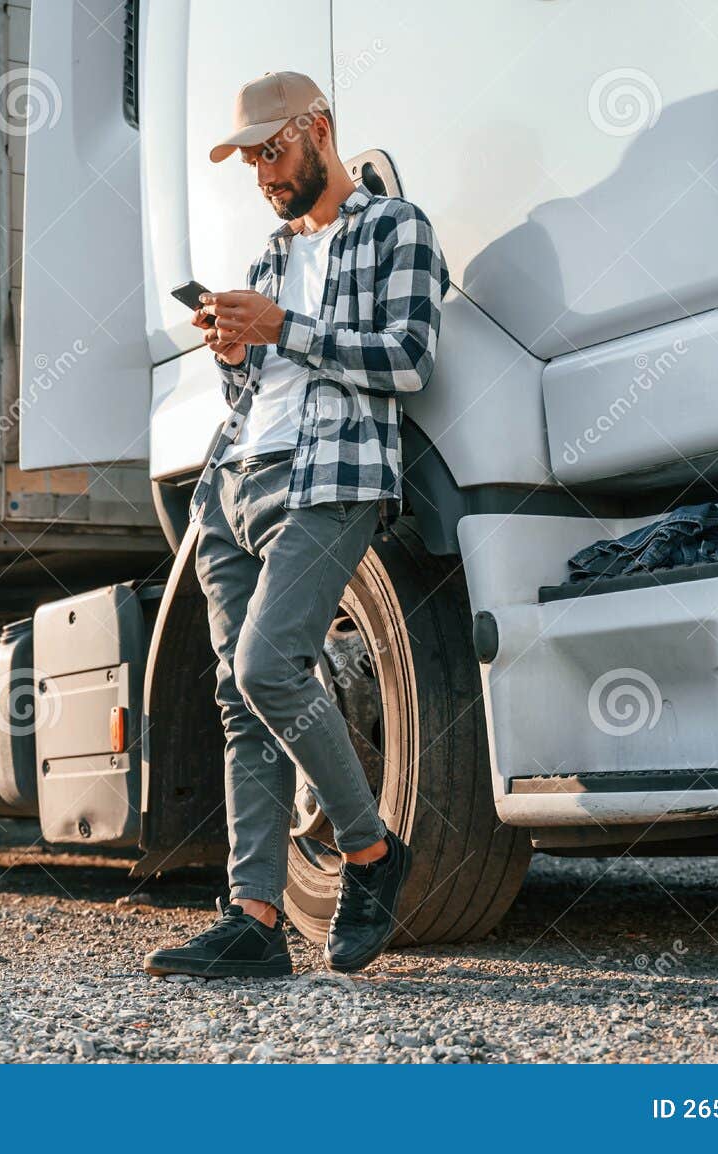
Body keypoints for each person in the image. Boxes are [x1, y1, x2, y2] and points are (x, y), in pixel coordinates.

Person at [143, 72, 447, 978]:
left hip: (330, 481)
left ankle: (370, 851)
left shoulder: (399, 229)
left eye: (273, 149)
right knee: (241, 703)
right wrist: (238, 353)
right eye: (249, 160)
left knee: (267, 668)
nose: (264, 173)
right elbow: (262, 390)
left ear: (320, 129)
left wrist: (286, 326)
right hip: (231, 484)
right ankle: (255, 920)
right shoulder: (273, 254)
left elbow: (409, 361)